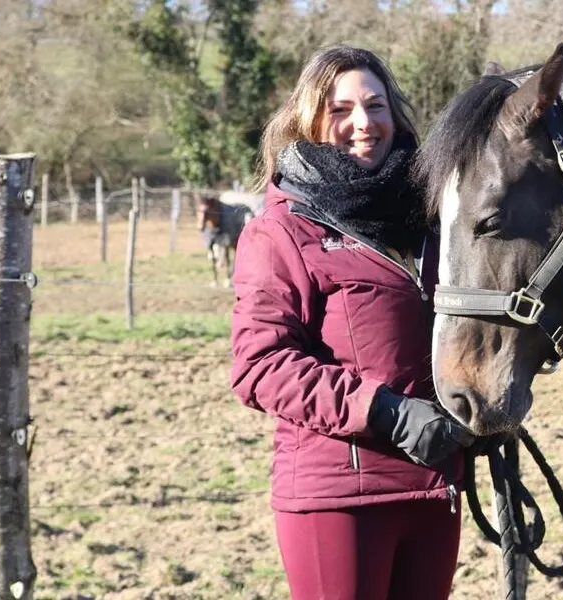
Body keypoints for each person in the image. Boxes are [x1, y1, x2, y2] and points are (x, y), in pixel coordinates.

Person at [230, 46, 475, 600]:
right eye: (341, 110)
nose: (363, 124)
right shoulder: (281, 232)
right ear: (310, 120)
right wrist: (385, 412)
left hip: (435, 485)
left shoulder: (432, 221)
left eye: (375, 105)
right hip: (337, 498)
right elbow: (259, 367)